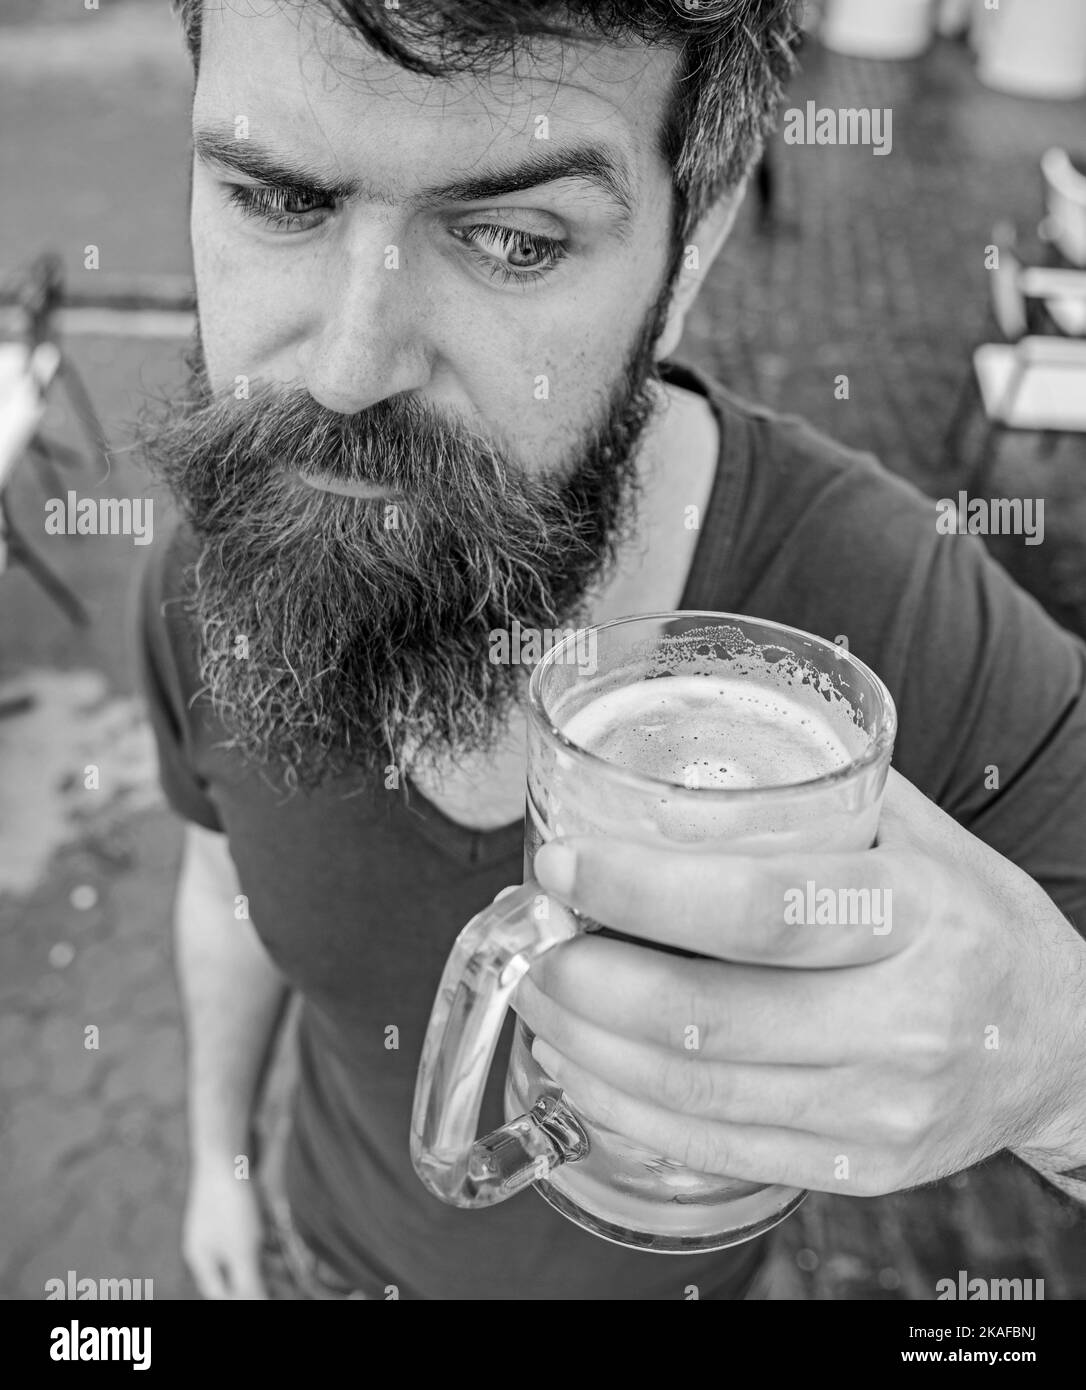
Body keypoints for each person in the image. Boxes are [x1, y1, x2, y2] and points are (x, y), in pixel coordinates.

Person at [136, 0, 1086, 1301]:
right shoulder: (222, 553)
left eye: (513, 240)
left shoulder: (885, 598)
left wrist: (1053, 1060)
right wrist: (213, 1159)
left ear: (687, 254)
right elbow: (219, 884)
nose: (350, 368)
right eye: (276, 199)